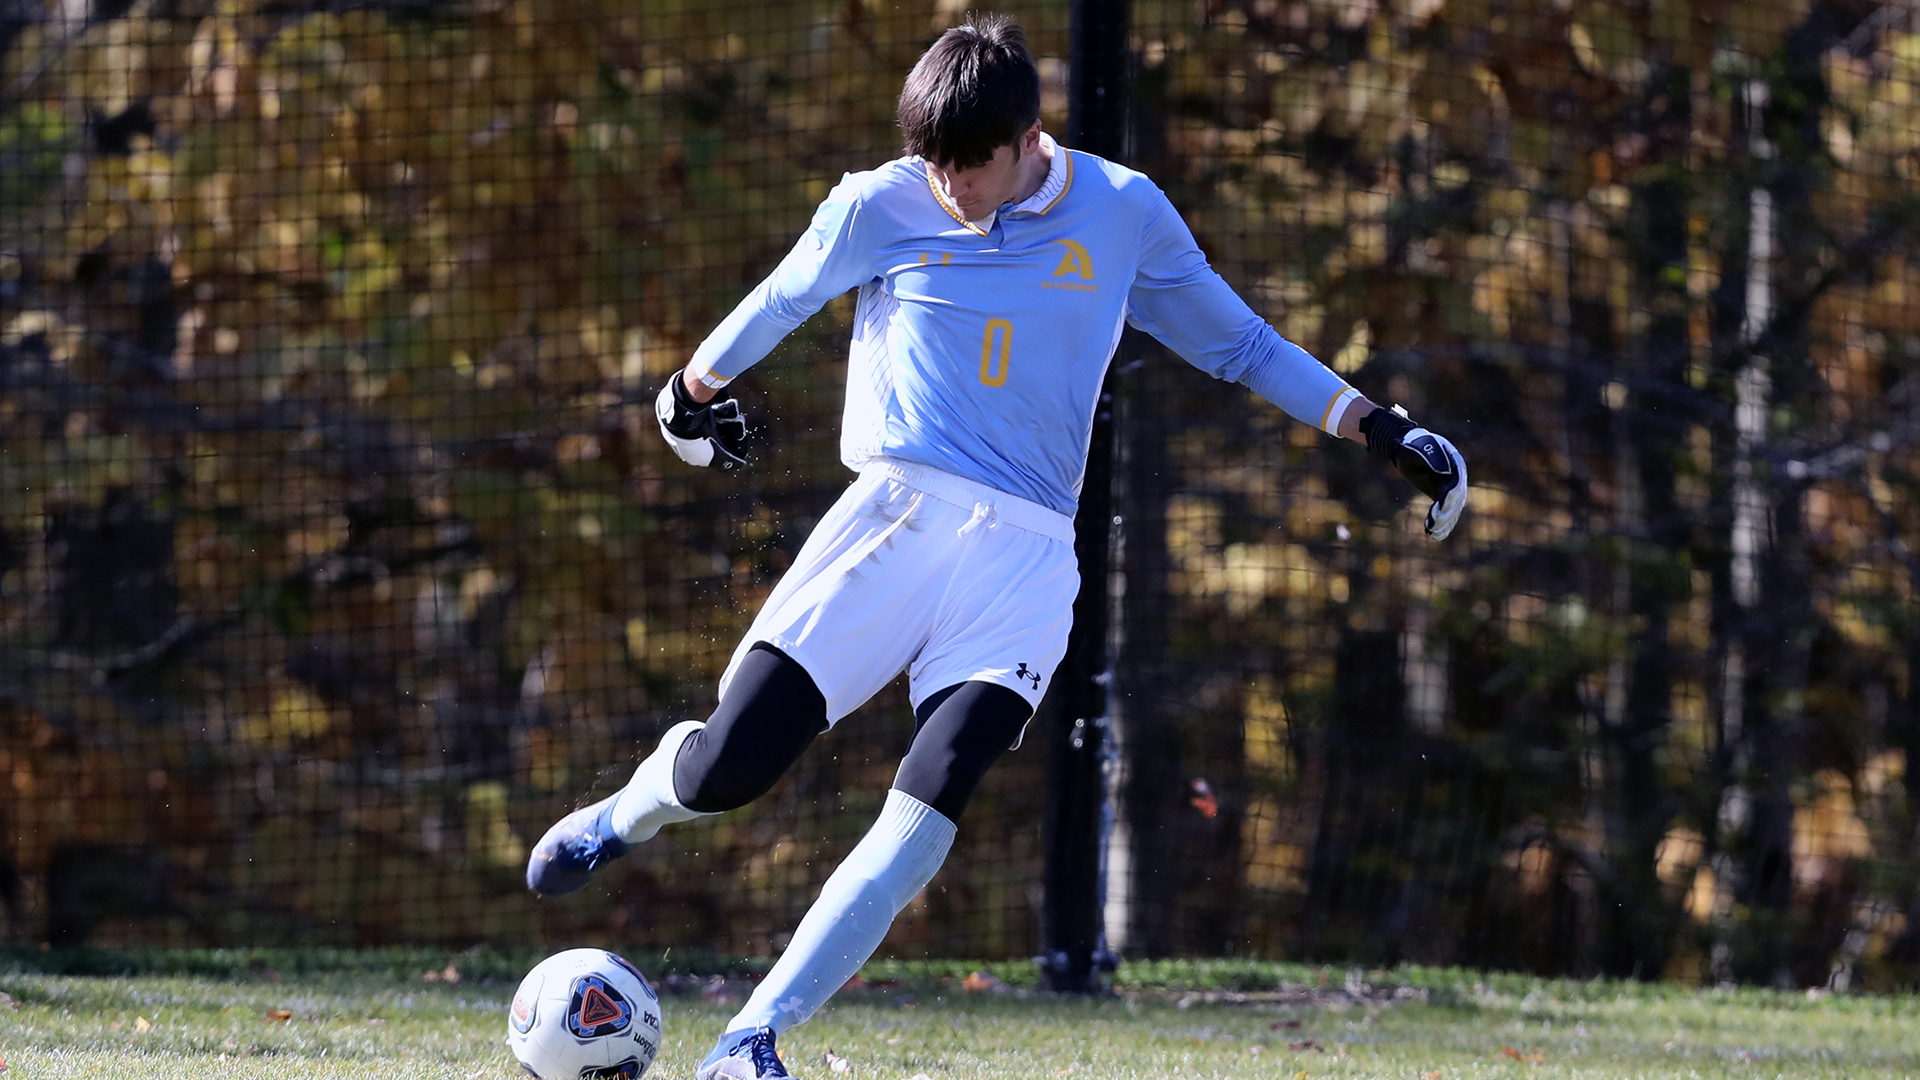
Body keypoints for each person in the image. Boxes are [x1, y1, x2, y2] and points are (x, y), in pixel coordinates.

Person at [526, 14, 1467, 1079]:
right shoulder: (880, 200)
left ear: (1028, 140)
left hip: (1022, 564)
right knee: (725, 773)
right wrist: (690, 393)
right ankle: (627, 810)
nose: (944, 189)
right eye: (929, 162)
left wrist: (1384, 428)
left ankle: (752, 1036)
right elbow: (786, 294)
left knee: (929, 806)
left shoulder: (1121, 211)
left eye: (964, 168)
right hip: (891, 525)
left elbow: (1242, 344)